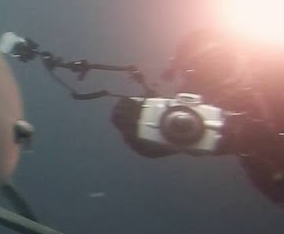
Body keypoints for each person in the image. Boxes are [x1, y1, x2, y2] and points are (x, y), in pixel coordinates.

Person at [113, 28, 284, 203]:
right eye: (205, 73)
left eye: (220, 63)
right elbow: (172, 140)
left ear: (245, 58)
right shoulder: (212, 122)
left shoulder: (276, 76)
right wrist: (142, 129)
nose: (219, 77)